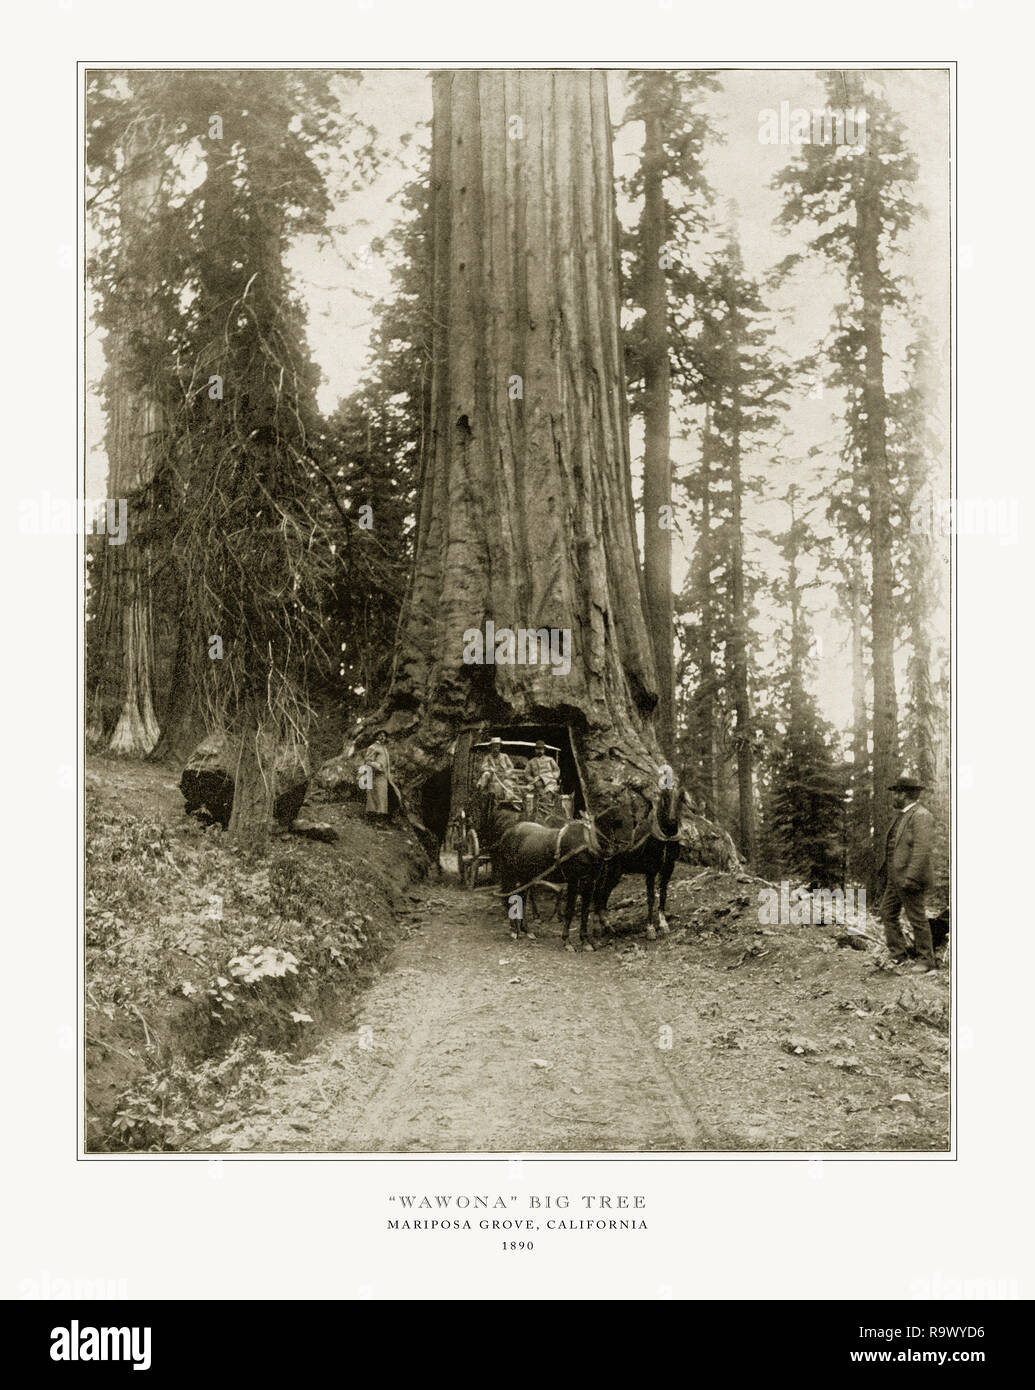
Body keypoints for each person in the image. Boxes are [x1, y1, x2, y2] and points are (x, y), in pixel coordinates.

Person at [877, 774, 936, 973]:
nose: (893, 796)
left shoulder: (921, 815)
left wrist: (911, 877)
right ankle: (898, 955)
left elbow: (922, 850)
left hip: (909, 878)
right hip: (895, 878)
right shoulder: (903, 815)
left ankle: (926, 960)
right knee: (887, 913)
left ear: (905, 794)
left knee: (917, 918)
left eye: (896, 793)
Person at [477, 737, 519, 806]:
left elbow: (511, 767)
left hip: (503, 778)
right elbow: (483, 767)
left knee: (508, 785)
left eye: (497, 746)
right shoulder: (488, 757)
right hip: (492, 777)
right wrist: (490, 769)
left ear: (500, 747)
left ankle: (508, 802)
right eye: (494, 746)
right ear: (491, 747)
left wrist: (507, 772)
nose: (495, 748)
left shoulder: (504, 756)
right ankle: (480, 792)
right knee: (486, 774)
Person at [362, 730, 394, 821]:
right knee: (376, 796)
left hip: (384, 777)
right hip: (375, 776)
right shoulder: (373, 747)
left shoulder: (384, 748)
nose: (382, 737)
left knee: (382, 797)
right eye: (380, 735)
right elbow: (368, 761)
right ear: (376, 736)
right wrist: (377, 766)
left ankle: (380, 819)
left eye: (384, 735)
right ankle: (373, 819)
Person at [527, 740, 561, 814]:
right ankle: (542, 806)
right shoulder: (531, 762)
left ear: (544, 750)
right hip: (537, 783)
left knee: (550, 789)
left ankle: (547, 806)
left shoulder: (550, 760)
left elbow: (557, 771)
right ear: (535, 750)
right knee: (537, 785)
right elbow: (527, 774)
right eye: (537, 749)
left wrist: (552, 777)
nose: (539, 751)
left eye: (541, 749)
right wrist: (532, 780)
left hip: (549, 781)